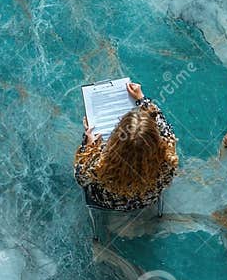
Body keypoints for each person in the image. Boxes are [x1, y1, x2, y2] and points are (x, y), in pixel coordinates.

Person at [74, 82, 178, 210]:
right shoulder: (168, 158)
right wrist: (141, 99)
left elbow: (80, 178)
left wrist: (88, 144)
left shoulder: (99, 165)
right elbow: (160, 121)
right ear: (155, 137)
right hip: (146, 200)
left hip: (108, 203)